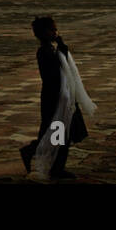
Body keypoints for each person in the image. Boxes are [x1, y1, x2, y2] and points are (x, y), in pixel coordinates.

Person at [20, 16, 95, 180]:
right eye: (52, 30)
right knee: (58, 134)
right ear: (43, 33)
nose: (55, 32)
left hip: (62, 96)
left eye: (56, 29)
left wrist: (60, 43)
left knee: (60, 134)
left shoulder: (52, 50)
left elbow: (64, 61)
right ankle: (54, 166)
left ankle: (39, 156)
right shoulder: (45, 52)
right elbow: (53, 76)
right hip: (56, 98)